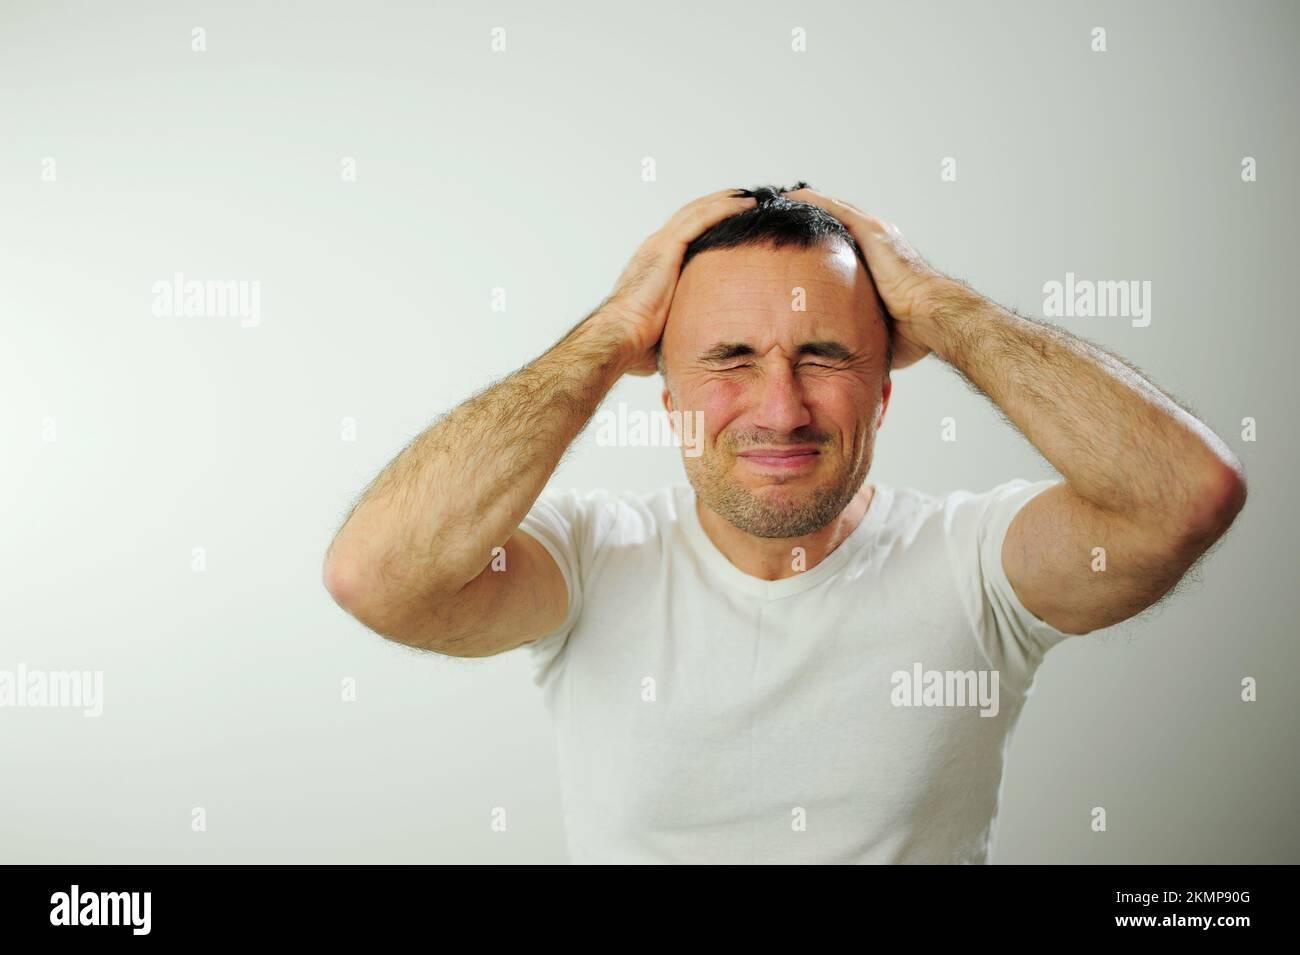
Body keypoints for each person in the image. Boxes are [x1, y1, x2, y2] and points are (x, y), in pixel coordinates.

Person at [322, 183, 1247, 863]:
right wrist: (608, 333)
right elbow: (376, 576)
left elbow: (1186, 496)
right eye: (730, 358)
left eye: (825, 355)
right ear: (666, 398)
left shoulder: (974, 564)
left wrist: (938, 303)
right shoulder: (592, 559)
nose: (781, 409)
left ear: (884, 393)